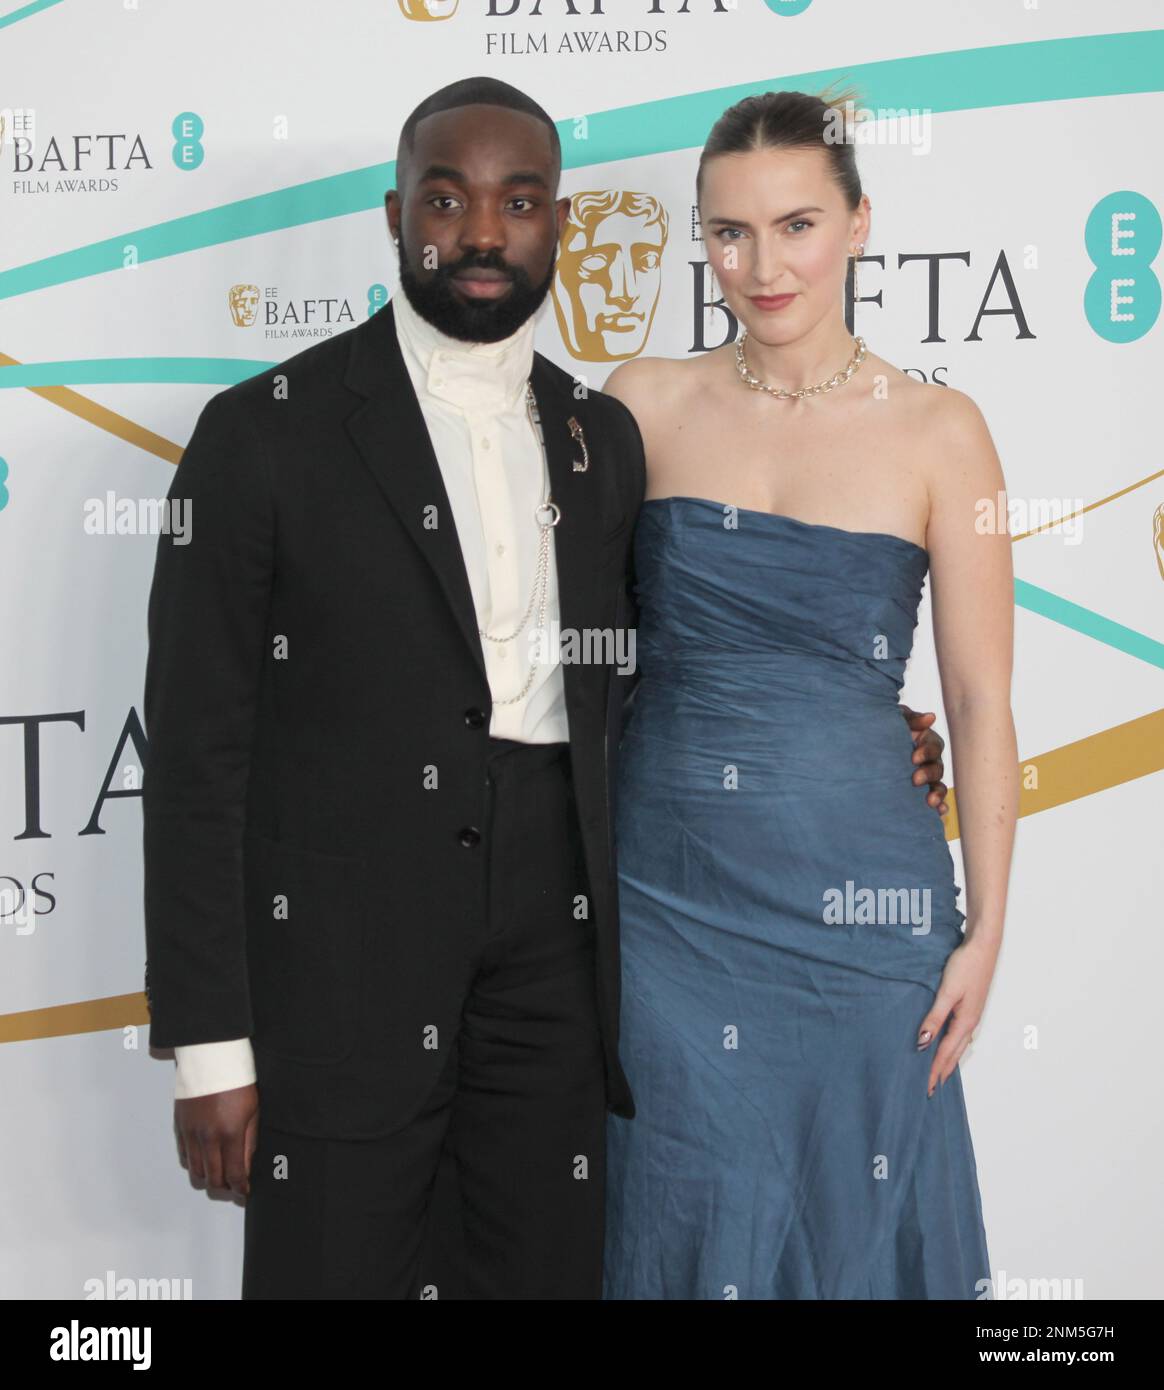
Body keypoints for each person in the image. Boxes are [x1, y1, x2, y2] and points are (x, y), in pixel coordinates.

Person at [141, 76, 952, 1300]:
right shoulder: (263, 434)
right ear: (394, 213)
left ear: (558, 229)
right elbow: (196, 757)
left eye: (519, 203)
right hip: (345, 978)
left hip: (563, 966)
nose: (481, 232)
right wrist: (209, 1050)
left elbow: (659, 651)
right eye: (447, 198)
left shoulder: (602, 434)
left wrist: (841, 717)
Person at [600, 89, 1017, 1299]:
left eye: (795, 226)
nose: (761, 264)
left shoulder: (942, 431)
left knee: (856, 1220)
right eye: (728, 233)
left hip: (867, 917)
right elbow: (574, 652)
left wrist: (986, 933)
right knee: (684, 1210)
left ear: (858, 224)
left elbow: (981, 703)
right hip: (666, 907)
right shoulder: (644, 402)